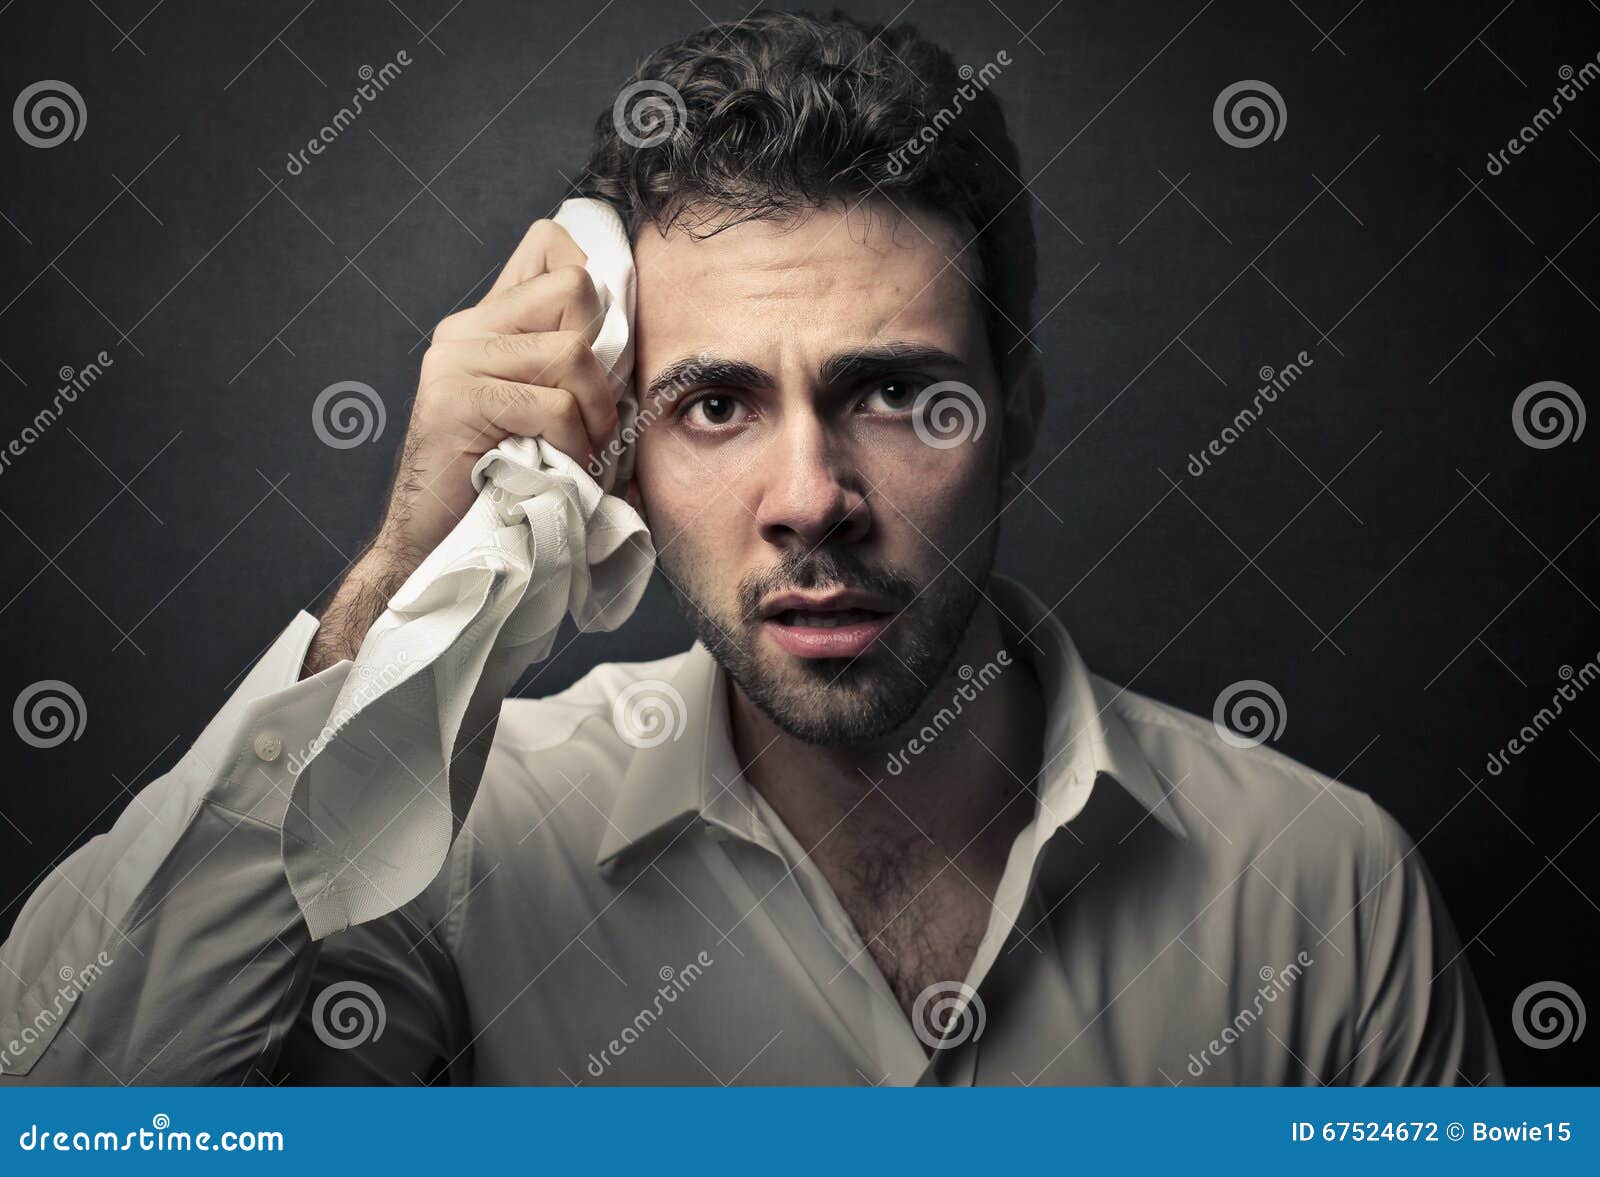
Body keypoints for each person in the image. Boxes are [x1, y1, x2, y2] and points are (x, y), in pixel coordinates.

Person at [0, 10, 1499, 1086]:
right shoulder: (450, 851)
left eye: (895, 394)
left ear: (1018, 422)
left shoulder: (1324, 890)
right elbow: (72, 1118)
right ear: (620, 449)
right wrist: (396, 591)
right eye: (716, 404)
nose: (811, 497)